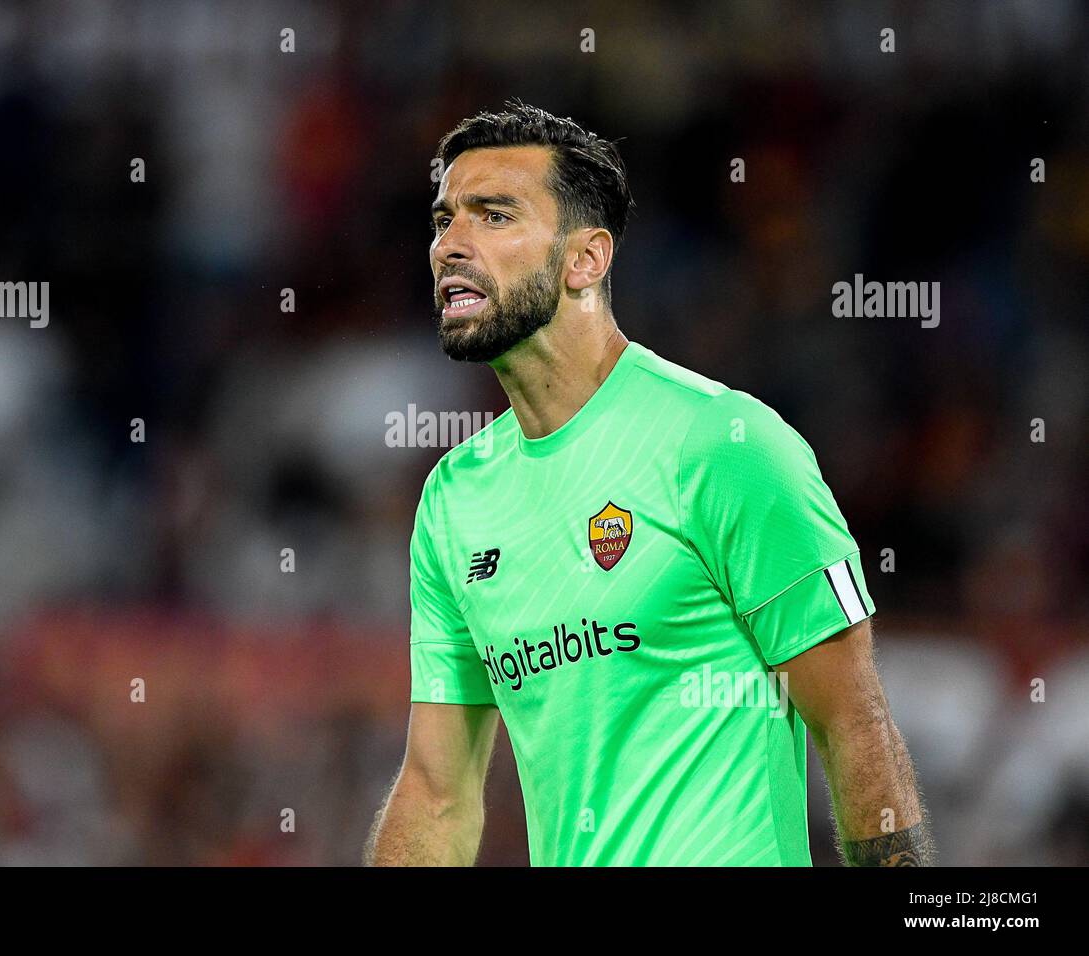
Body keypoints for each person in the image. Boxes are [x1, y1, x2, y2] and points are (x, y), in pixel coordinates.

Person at [365, 100, 932, 866]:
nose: (451, 246)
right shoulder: (454, 500)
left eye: (494, 217)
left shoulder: (725, 443)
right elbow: (438, 789)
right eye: (444, 220)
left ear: (585, 260)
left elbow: (854, 722)